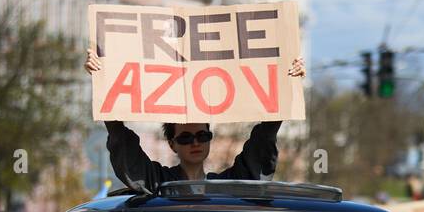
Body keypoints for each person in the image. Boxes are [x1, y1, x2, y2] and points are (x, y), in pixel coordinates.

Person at [84, 49, 305, 192]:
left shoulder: (228, 187)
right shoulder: (159, 184)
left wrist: (287, 82)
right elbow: (125, 150)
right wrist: (103, 79)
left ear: (210, 138)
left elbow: (262, 146)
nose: (195, 143)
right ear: (171, 143)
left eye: (202, 135)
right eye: (186, 138)